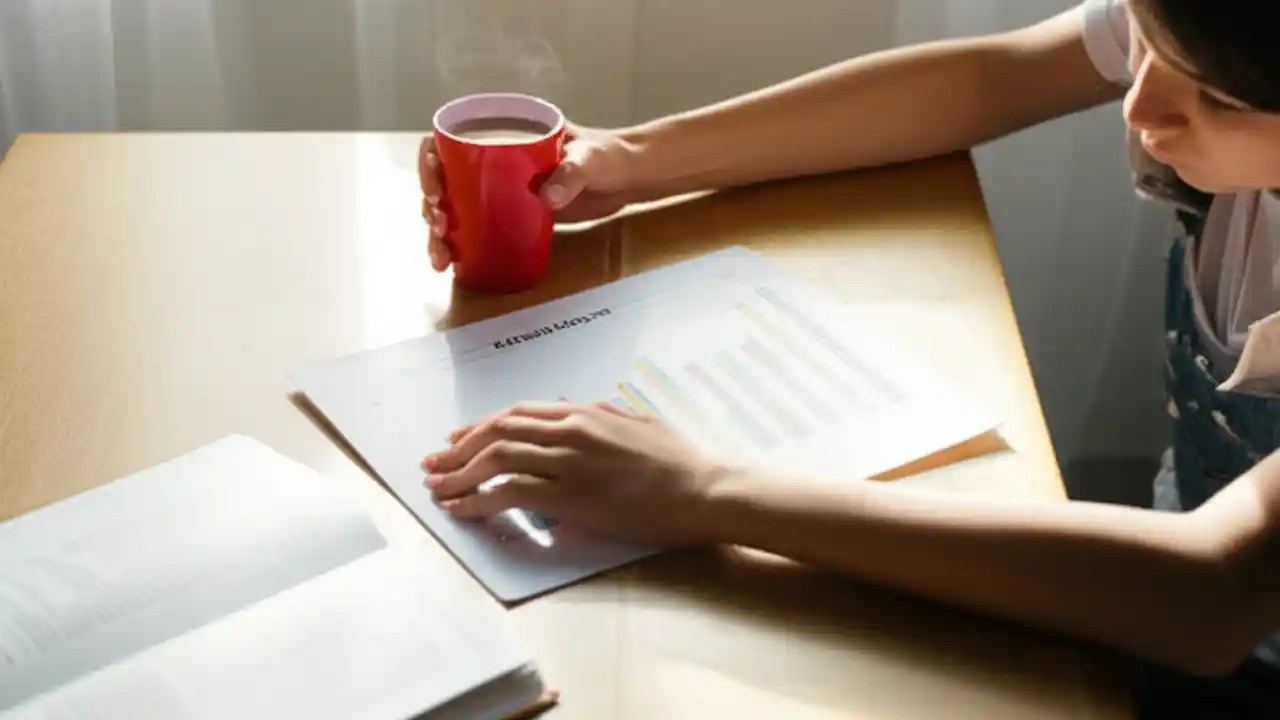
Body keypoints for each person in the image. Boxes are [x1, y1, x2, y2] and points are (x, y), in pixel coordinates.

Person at [420, 2, 1280, 715]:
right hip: (1147, 619)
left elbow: (1213, 594)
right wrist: (631, 162)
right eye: (1141, 38)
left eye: (1212, 96)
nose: (1140, 105)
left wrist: (705, 491)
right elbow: (985, 80)